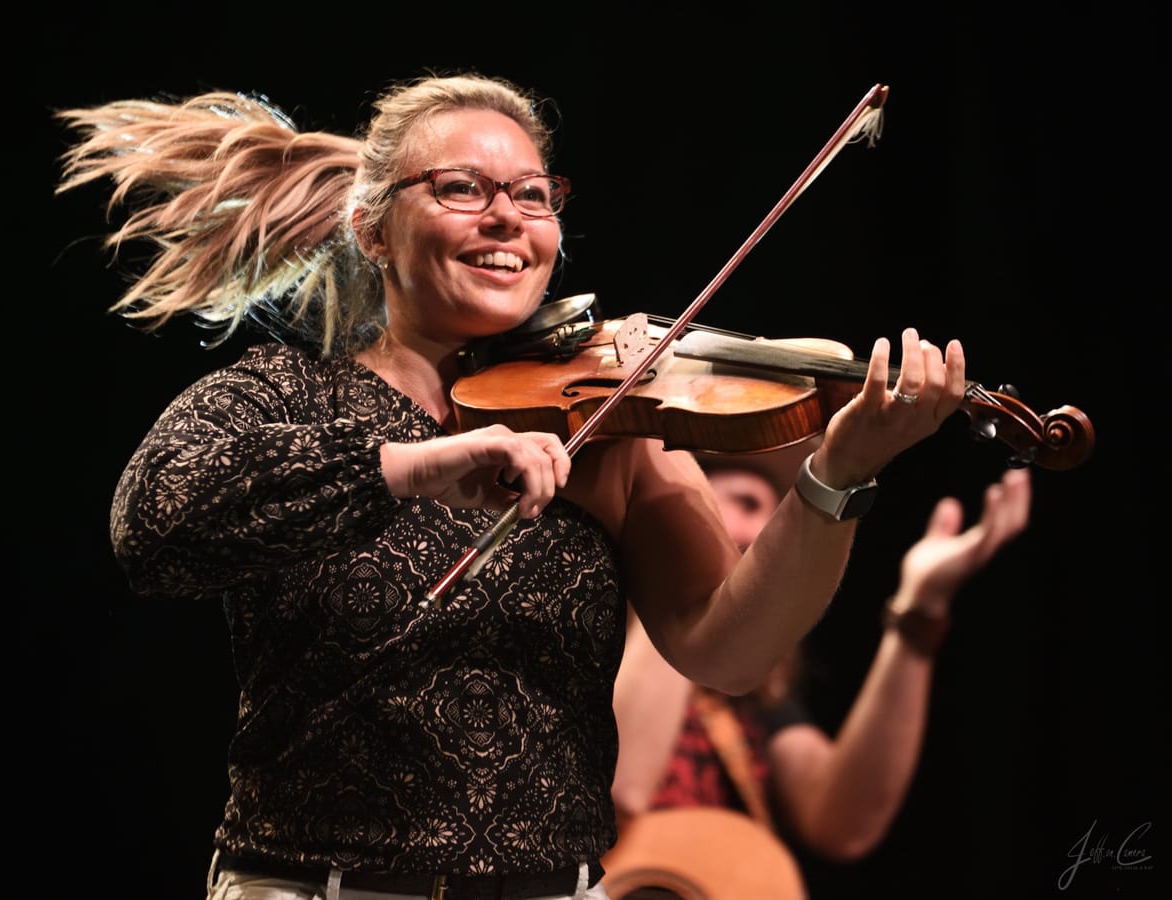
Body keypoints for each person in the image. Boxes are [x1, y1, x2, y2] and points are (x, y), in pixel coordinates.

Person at [54, 71, 971, 900]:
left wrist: (837, 475)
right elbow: (156, 525)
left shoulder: (607, 425)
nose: (508, 218)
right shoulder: (284, 394)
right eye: (463, 189)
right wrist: (417, 464)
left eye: (533, 195)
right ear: (373, 227)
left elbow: (727, 652)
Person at [607, 449, 1031, 896]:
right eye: (744, 504)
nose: (760, 538)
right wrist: (692, 564)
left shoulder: (746, 699)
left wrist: (919, 613)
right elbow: (623, 788)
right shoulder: (592, 641)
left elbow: (844, 823)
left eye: (771, 524)